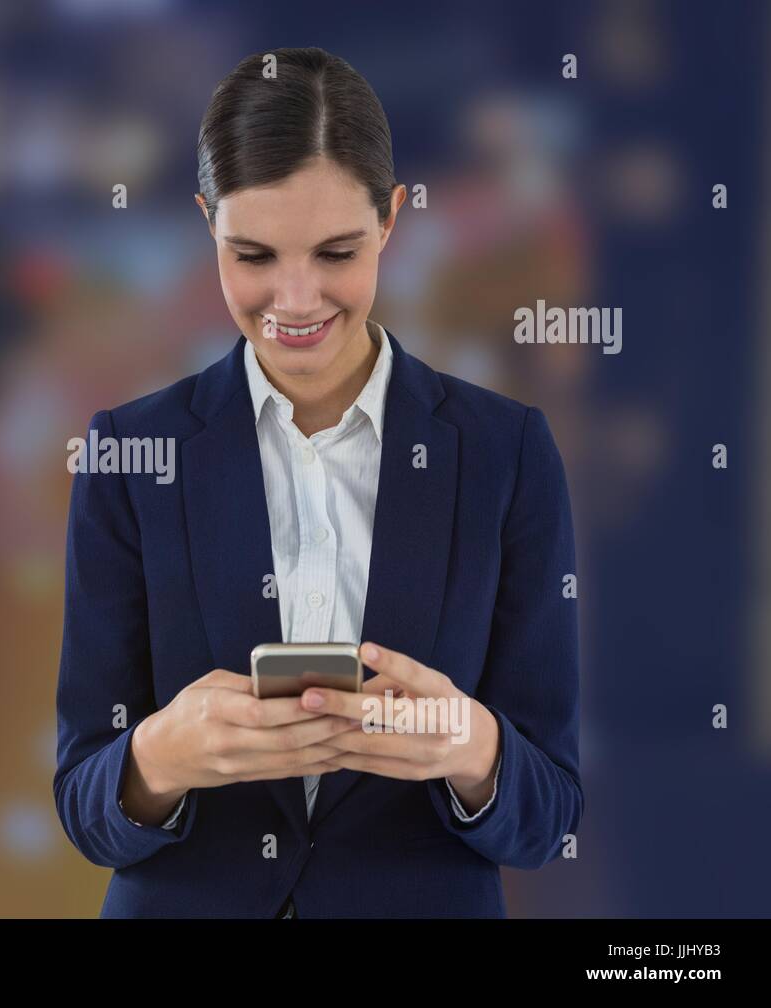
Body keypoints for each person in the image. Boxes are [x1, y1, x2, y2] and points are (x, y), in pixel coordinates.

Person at [53, 47, 582, 918]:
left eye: (336, 251)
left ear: (392, 222)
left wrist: (471, 746)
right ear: (205, 224)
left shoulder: (505, 452)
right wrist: (160, 761)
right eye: (252, 255)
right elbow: (85, 800)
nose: (294, 301)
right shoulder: (128, 450)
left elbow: (549, 815)